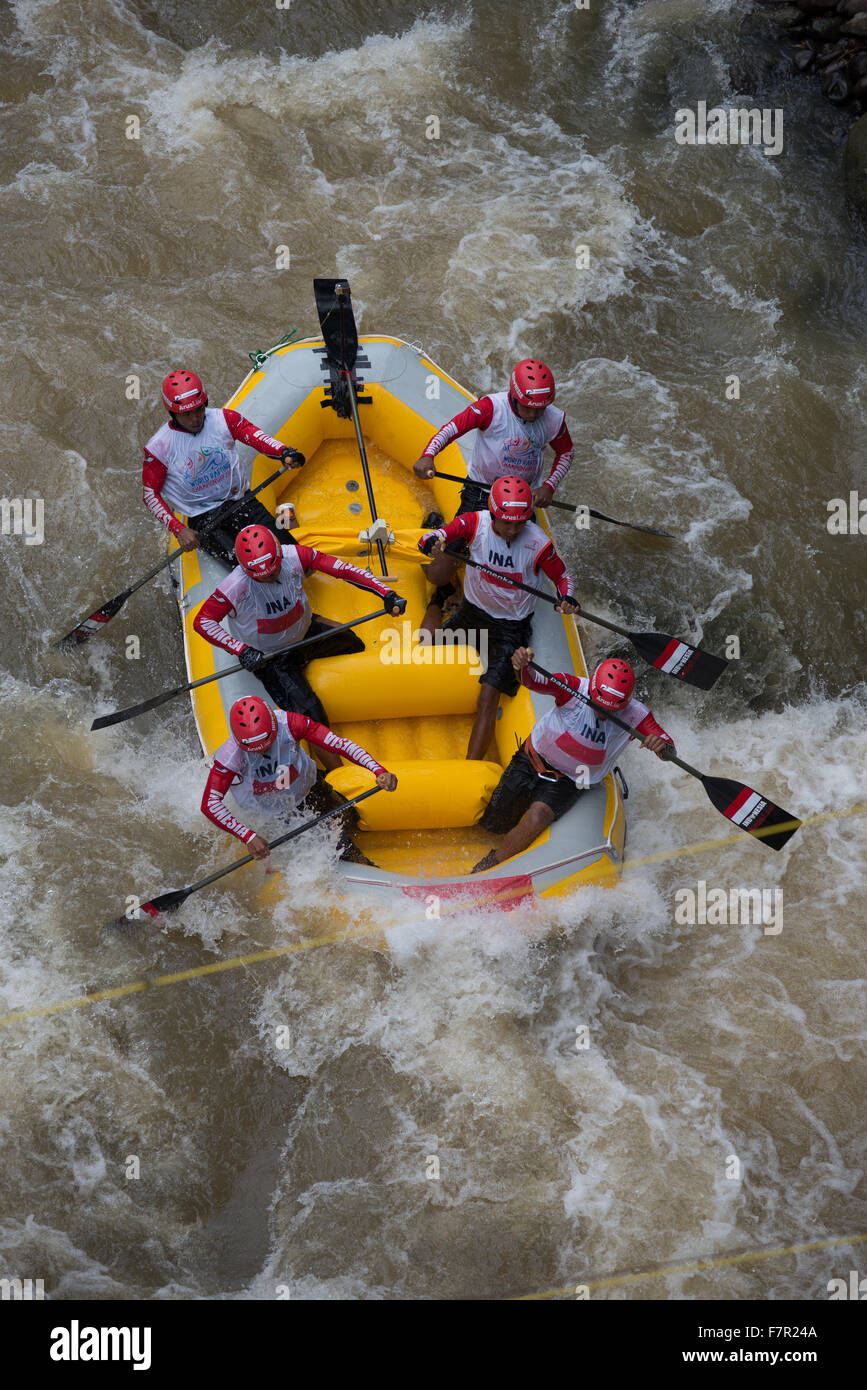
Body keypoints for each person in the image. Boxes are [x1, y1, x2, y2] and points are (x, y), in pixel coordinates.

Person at [194, 524, 405, 769]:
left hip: (305, 634)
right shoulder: (235, 586)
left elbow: (342, 570)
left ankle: (317, 621)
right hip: (271, 657)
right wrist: (240, 650)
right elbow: (203, 622)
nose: (270, 579)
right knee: (312, 713)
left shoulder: (295, 555)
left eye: (273, 572)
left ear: (279, 555)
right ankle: (339, 774)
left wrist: (386, 593)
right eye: (261, 577)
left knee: (353, 643)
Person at [417, 477, 579, 761]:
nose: (513, 530)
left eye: (520, 523)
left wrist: (567, 598)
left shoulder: (538, 543)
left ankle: (469, 768)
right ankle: (439, 597)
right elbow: (444, 533)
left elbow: (563, 578)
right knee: (424, 643)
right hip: (472, 613)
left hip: (510, 628)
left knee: (488, 695)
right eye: (507, 523)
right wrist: (432, 538)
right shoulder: (475, 523)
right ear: (493, 514)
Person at [471, 651, 674, 873]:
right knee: (494, 822)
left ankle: (488, 868)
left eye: (611, 710)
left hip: (571, 780)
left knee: (539, 816)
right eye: (599, 706)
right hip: (531, 759)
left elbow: (666, 745)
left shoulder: (637, 715)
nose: (603, 715)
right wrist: (522, 666)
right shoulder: (573, 687)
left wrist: (661, 745)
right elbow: (532, 681)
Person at [412, 359, 575, 615]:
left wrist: (549, 487)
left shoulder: (554, 419)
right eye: (527, 408)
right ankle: (434, 531)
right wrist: (428, 454)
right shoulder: (490, 408)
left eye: (540, 409)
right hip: (480, 494)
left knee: (514, 568)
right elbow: (452, 429)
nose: (533, 415)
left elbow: (566, 452)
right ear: (513, 396)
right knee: (438, 575)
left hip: (522, 502)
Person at [202, 695, 397, 866]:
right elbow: (210, 804)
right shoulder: (230, 756)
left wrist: (378, 770)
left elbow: (339, 744)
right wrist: (248, 836)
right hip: (279, 812)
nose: (263, 751)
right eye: (256, 749)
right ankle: (365, 866)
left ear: (274, 726)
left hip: (309, 787)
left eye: (266, 746)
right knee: (340, 846)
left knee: (348, 816)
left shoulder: (291, 723)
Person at [142, 368, 305, 566]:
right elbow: (150, 494)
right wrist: (178, 529)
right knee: (251, 568)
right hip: (205, 520)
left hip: (243, 502)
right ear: (173, 413)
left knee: (294, 558)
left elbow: (253, 436)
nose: (195, 419)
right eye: (187, 414)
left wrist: (284, 452)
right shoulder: (159, 446)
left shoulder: (224, 419)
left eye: (199, 409)